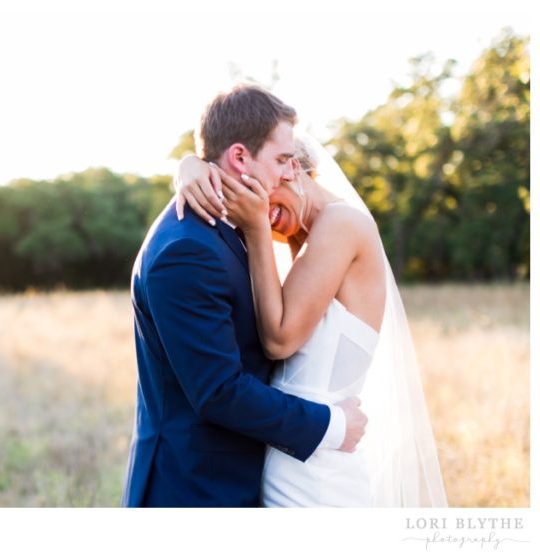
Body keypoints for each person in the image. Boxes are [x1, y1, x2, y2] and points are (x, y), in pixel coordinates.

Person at [121, 85, 368, 507]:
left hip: (238, 482)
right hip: (194, 491)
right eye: (282, 160)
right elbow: (219, 391)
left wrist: (191, 165)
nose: (289, 173)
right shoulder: (187, 249)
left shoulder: (229, 226)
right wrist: (332, 427)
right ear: (239, 157)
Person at [175, 125, 447, 506]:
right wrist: (188, 167)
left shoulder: (341, 223)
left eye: (260, 193)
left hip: (318, 472)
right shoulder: (301, 238)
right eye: (248, 197)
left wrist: (255, 228)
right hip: (296, 451)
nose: (259, 211)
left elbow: (278, 339)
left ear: (291, 170)